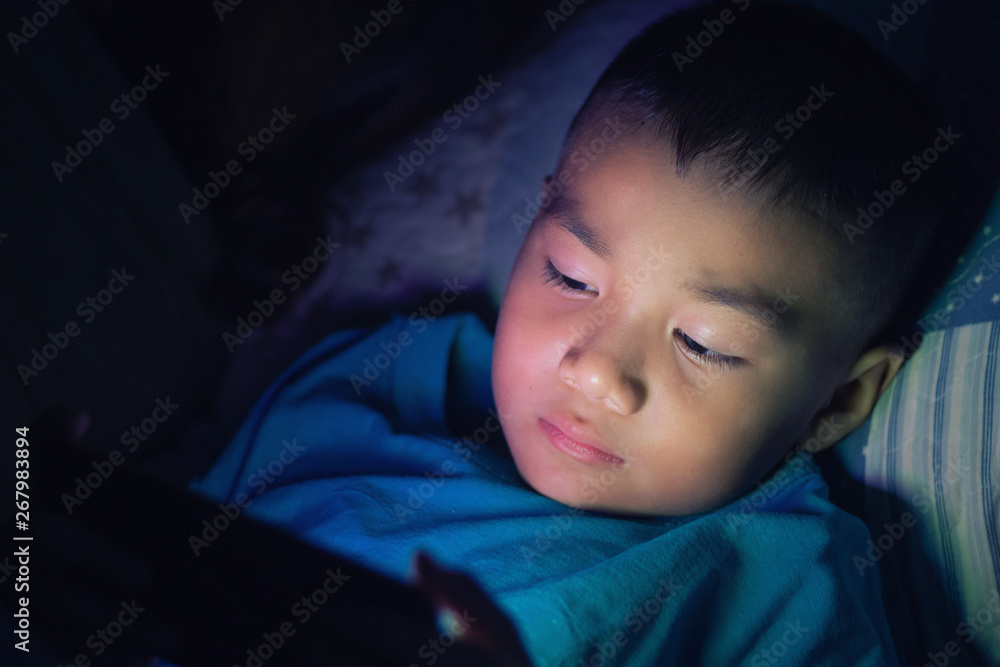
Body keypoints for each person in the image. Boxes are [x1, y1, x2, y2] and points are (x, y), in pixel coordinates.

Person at [194, 1, 952, 663]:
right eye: (569, 276)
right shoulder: (363, 381)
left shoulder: (778, 595)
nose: (596, 371)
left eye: (702, 344)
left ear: (837, 401)